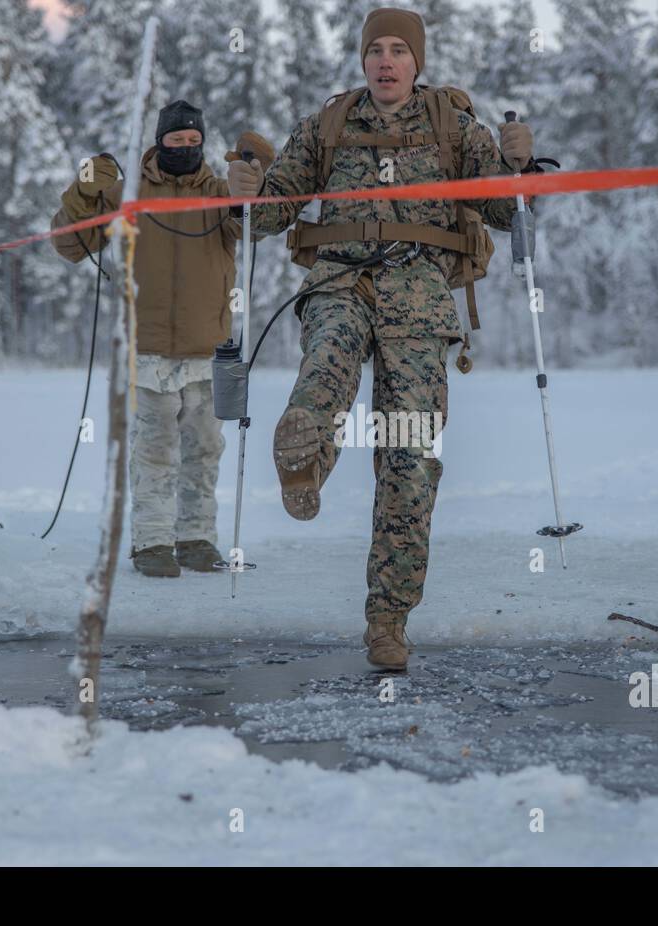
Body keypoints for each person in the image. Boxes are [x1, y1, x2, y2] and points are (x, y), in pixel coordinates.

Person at [226, 7, 537, 669]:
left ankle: (387, 621)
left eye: (399, 50)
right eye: (376, 51)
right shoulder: (329, 123)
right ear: (363, 60)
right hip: (338, 283)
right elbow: (272, 215)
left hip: (419, 298)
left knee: (410, 460)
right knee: (323, 377)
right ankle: (304, 463)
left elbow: (507, 213)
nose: (386, 61)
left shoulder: (456, 125)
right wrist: (246, 196)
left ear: (416, 62)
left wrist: (523, 169)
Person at [51, 101, 273, 576]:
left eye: (194, 142)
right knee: (154, 451)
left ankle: (195, 538)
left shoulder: (217, 191)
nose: (185, 148)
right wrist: (83, 189)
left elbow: (253, 226)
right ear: (160, 141)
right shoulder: (128, 193)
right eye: (177, 140)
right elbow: (71, 245)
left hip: (210, 352)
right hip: (148, 351)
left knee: (203, 452)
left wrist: (253, 186)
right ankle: (152, 543)